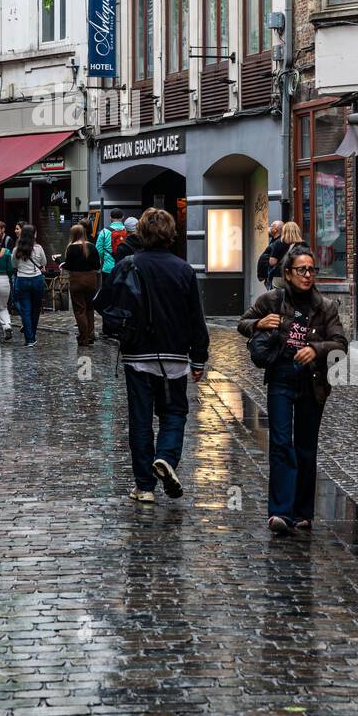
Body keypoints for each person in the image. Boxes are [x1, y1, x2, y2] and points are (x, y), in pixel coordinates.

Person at [100, 207, 209, 504]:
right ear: (170, 234)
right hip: (174, 354)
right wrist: (199, 357)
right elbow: (196, 317)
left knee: (140, 418)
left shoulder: (128, 264)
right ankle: (166, 458)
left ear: (142, 233)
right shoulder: (183, 269)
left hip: (138, 354)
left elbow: (104, 301)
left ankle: (144, 486)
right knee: (174, 413)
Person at [238, 245, 348, 535]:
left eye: (311, 270)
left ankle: (302, 513)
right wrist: (259, 323)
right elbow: (243, 323)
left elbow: (341, 344)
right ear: (288, 273)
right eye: (302, 270)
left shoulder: (325, 307)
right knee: (281, 443)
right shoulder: (272, 300)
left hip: (312, 381)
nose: (308, 275)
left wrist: (316, 349)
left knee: (306, 448)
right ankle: (280, 512)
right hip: (281, 379)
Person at [62, 223, 101, 346]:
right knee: (90, 308)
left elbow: (68, 266)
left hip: (77, 280)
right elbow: (97, 266)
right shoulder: (92, 247)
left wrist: (59, 262)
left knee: (80, 309)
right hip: (91, 280)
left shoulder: (71, 248)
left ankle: (83, 337)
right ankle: (90, 334)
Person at [12, 223, 47, 348]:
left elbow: (14, 265)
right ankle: (32, 334)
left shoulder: (17, 249)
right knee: (35, 310)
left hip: (22, 279)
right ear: (33, 235)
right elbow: (44, 262)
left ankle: (29, 339)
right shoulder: (38, 248)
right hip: (36, 279)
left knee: (26, 310)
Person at [270, 220, 304, 287]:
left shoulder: (278, 243)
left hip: (280, 275)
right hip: (296, 275)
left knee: (279, 295)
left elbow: (272, 262)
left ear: (284, 231)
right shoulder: (303, 244)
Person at [96, 208, 126, 276]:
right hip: (124, 268)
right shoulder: (127, 231)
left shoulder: (104, 231)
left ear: (110, 218)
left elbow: (99, 250)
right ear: (123, 217)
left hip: (108, 268)